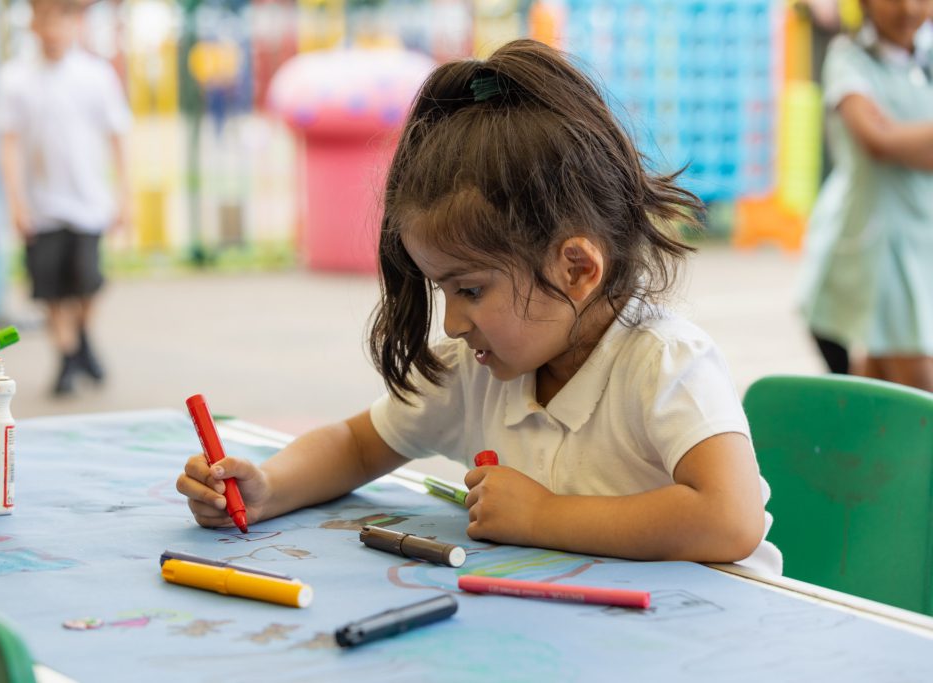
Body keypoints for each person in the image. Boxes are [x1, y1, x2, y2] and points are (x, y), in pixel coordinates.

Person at [176, 40, 780, 573]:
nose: (452, 323)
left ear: (577, 270)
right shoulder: (478, 369)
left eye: (469, 290)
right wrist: (269, 486)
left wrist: (544, 516)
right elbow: (359, 444)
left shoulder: (665, 363)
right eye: (441, 290)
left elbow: (729, 519)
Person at [0, 0, 131, 396]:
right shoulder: (15, 79)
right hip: (42, 205)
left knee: (88, 280)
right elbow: (8, 144)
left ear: (76, 23)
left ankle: (82, 335)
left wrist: (125, 195)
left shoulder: (96, 76)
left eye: (62, 18)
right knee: (50, 287)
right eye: (45, 17)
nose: (53, 28)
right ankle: (68, 356)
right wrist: (16, 201)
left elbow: (118, 135)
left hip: (88, 201)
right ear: (33, 22)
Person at [799, 0, 933, 390]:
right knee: (915, 398)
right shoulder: (849, 58)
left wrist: (901, 139)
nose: (908, 8)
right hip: (878, 247)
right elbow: (877, 140)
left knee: (876, 389)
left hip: (922, 243)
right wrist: (898, 141)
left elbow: (891, 138)